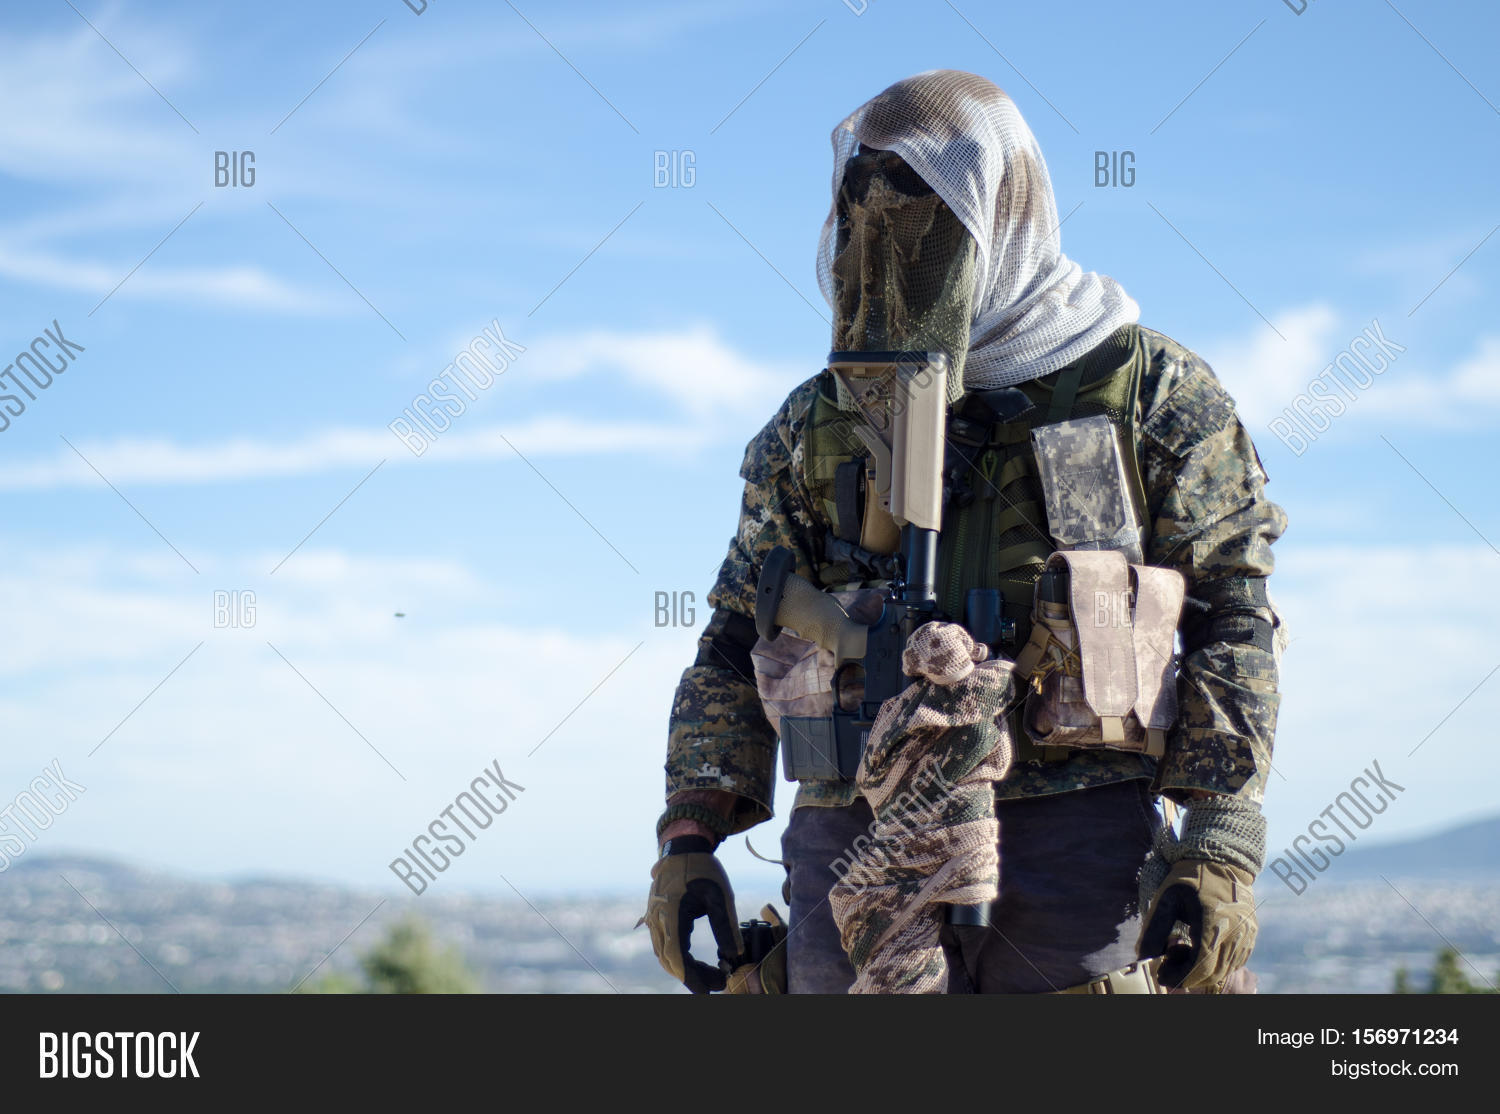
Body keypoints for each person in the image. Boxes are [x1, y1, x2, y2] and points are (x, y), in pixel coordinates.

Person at [643, 70, 1285, 995]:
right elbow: (737, 637)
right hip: (850, 843)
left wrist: (1221, 839)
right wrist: (688, 833)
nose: (890, 251)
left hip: (1074, 837)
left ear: (1003, 217)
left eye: (925, 219)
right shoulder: (815, 424)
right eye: (866, 217)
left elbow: (1233, 614)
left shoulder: (1150, 391)